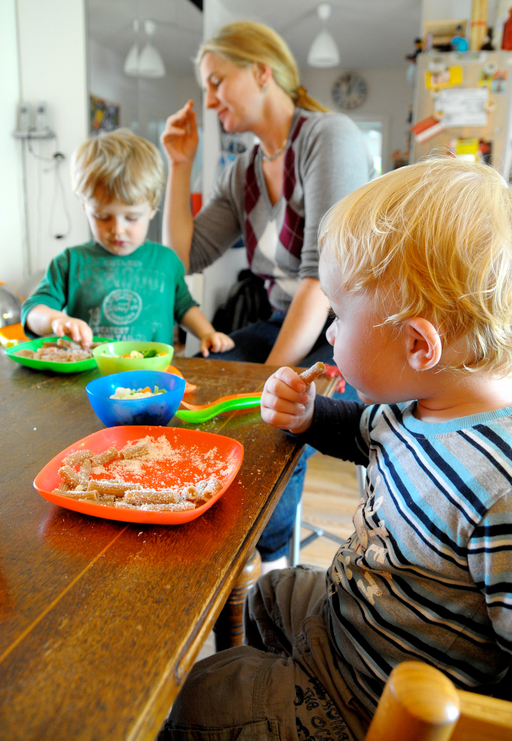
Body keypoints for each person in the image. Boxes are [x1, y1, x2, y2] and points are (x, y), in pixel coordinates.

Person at [159, 157, 512, 741]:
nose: (327, 333)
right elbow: (359, 430)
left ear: (418, 344)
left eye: (340, 315)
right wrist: (306, 414)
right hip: (352, 619)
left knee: (204, 695)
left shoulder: (497, 487)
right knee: (267, 594)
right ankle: (275, 682)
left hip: (371, 702)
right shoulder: (419, 403)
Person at [161, 20, 372, 571]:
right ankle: (213, 532)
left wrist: (268, 380)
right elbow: (181, 257)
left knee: (275, 412)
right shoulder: (244, 172)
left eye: (216, 81)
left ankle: (271, 558)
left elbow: (321, 281)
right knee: (195, 385)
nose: (208, 100)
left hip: (345, 326)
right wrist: (179, 164)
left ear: (261, 71)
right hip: (283, 318)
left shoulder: (330, 138)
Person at [22, 129, 234, 358]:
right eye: (102, 216)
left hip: (151, 377)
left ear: (152, 208)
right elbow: (33, 310)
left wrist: (207, 333)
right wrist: (56, 320)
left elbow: (183, 307)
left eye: (131, 217)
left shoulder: (166, 261)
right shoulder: (71, 262)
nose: (117, 229)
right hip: (88, 376)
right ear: (85, 206)